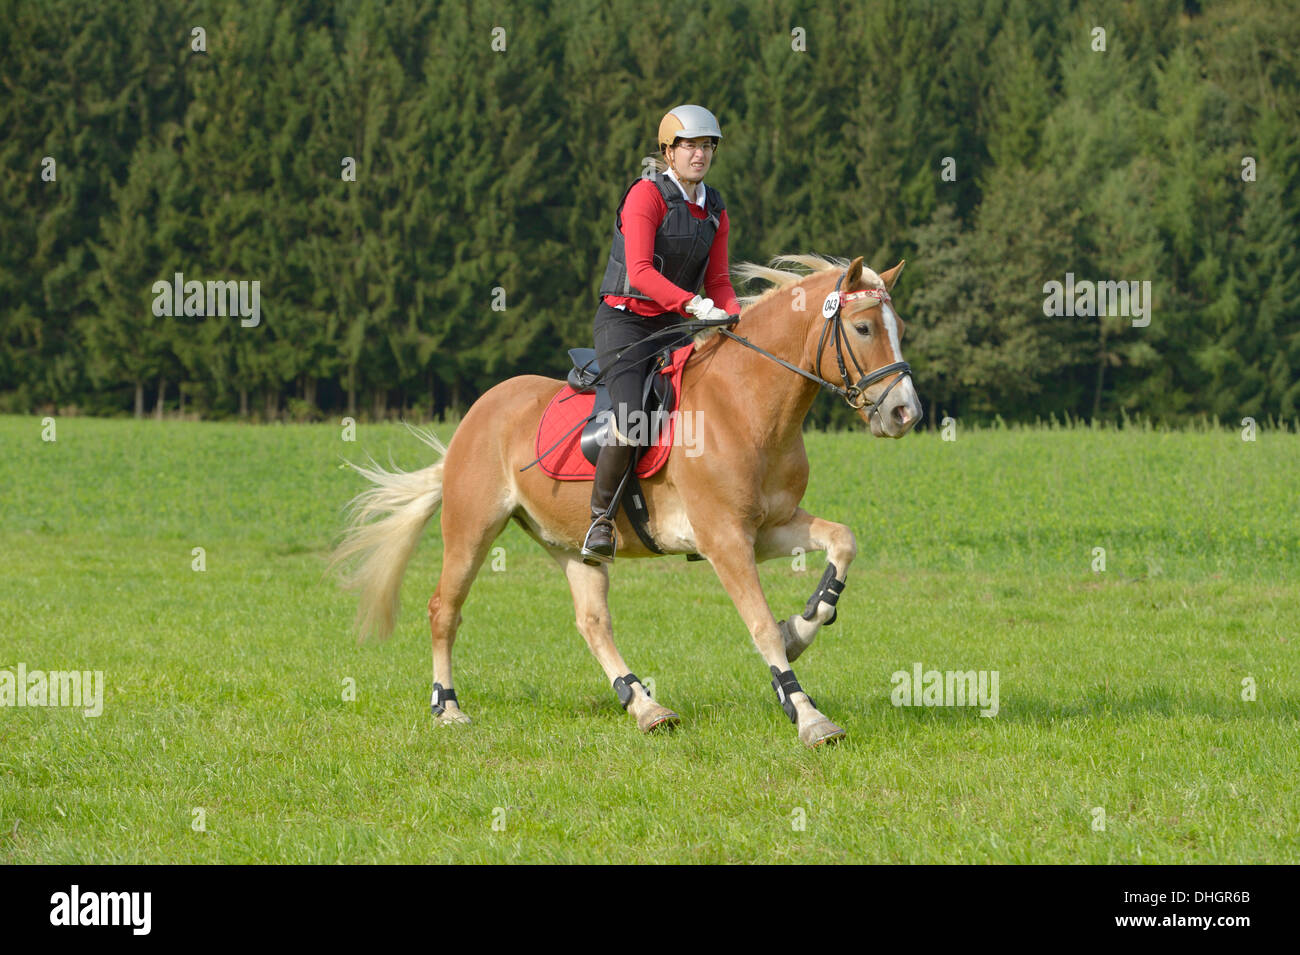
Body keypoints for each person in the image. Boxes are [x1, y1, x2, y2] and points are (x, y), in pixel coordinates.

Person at [581, 104, 741, 564]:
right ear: (669, 152)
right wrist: (693, 305)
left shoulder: (715, 207)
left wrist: (732, 317)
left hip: (674, 326)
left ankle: (701, 512)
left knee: (709, 411)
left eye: (707, 146)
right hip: (626, 323)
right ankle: (601, 520)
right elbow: (641, 272)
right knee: (633, 416)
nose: (700, 154)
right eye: (690, 145)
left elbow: (719, 282)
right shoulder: (645, 196)